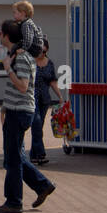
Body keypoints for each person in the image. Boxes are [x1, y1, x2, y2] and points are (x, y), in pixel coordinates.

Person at [0, 19, 56, 213]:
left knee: (12, 159)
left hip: (19, 112)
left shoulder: (20, 58)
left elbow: (23, 86)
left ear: (8, 36)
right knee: (16, 156)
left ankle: (14, 201)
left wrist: (8, 68)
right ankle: (42, 185)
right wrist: (4, 108)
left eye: (0, 33)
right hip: (15, 110)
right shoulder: (17, 55)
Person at [29, 38, 61, 166]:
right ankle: (41, 154)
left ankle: (33, 156)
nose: (41, 53)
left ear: (46, 50)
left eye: (43, 50)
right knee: (36, 123)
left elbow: (52, 81)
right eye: (39, 50)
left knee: (38, 127)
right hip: (31, 98)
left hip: (44, 99)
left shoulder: (49, 63)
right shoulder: (30, 62)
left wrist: (60, 96)